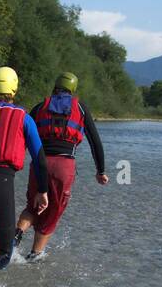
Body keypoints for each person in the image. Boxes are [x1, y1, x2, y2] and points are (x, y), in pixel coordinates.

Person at [15, 72, 108, 259]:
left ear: (55, 87)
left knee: (33, 206)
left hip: (40, 163)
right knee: (53, 212)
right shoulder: (80, 108)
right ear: (73, 89)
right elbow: (95, 142)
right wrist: (101, 171)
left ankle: (14, 238)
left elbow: (22, 136)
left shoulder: (40, 106)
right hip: (63, 167)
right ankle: (34, 256)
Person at [0, 66, 48, 287]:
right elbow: (39, 158)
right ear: (13, 90)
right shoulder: (24, 118)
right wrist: (42, 189)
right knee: (3, 254)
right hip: (1, 183)